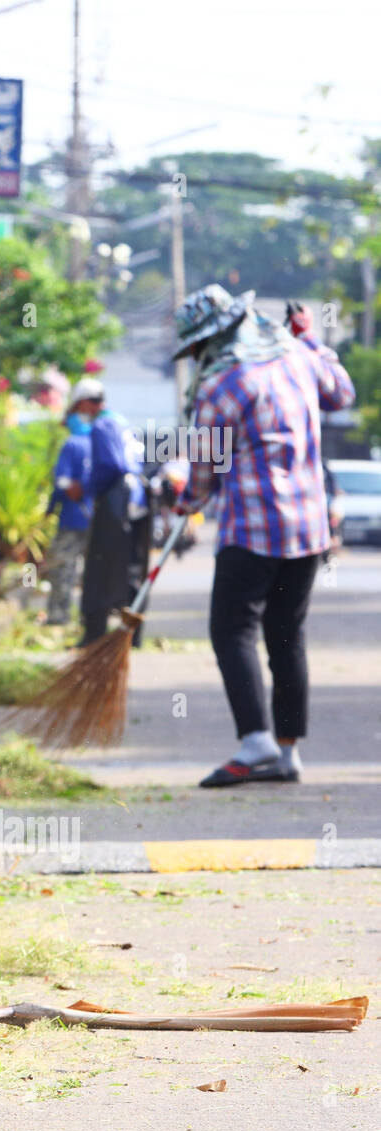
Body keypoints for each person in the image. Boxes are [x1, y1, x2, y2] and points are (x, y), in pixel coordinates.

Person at [171, 285, 354, 788]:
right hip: (308, 529)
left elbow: (205, 472)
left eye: (196, 347)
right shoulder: (297, 357)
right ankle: (288, 752)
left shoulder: (222, 385)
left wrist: (184, 504)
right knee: (287, 637)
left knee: (231, 632)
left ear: (214, 338)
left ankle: (256, 743)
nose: (196, 357)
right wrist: (312, 340)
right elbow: (341, 393)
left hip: (252, 530)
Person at [78, 381, 151, 647]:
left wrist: (91, 490)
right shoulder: (120, 421)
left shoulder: (101, 425)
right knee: (131, 567)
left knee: (100, 568)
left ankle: (94, 634)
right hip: (135, 500)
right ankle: (132, 636)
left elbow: (110, 465)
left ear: (87, 402)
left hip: (115, 502)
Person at [44, 380, 98, 626]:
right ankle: (92, 620)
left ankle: (59, 616)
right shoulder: (102, 442)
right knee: (94, 573)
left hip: (72, 518)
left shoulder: (73, 444)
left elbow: (62, 482)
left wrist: (49, 509)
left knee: (63, 568)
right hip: (99, 519)